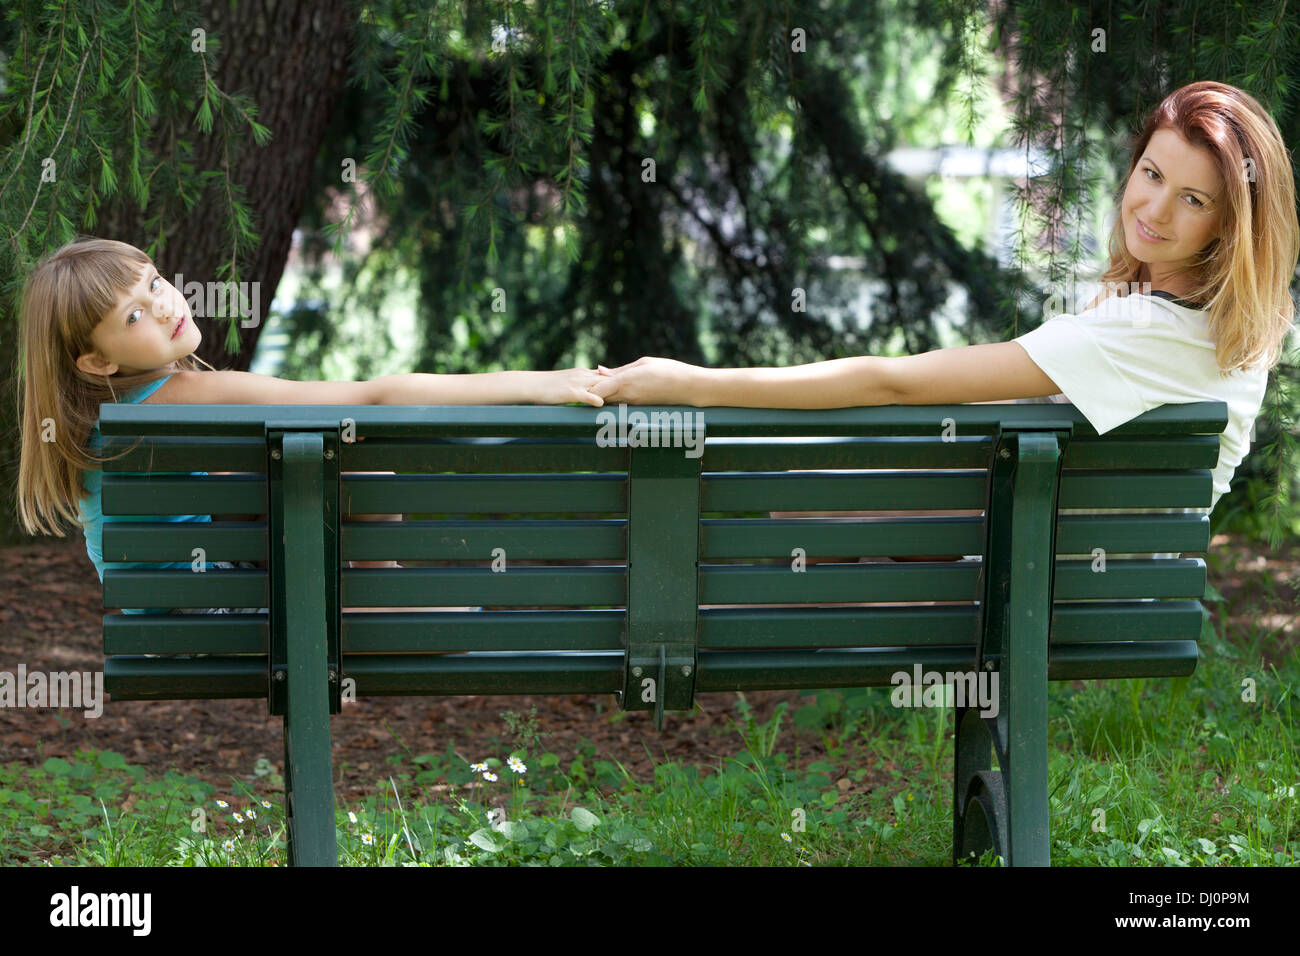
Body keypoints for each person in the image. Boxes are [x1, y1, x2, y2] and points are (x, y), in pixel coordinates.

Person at [590, 81, 1299, 572]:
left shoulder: (1144, 332)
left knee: (767, 495)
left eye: (1193, 199)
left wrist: (695, 382)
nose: (1154, 209)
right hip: (1102, 581)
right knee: (809, 492)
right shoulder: (1232, 330)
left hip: (1023, 579)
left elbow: (892, 382)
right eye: (1150, 173)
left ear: (1230, 225)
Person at [15, 237, 607, 616]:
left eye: (155, 283)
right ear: (96, 361)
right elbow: (375, 397)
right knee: (358, 447)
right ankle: (378, 598)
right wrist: (537, 383)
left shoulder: (97, 426)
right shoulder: (190, 393)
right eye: (136, 314)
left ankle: (377, 594)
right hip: (227, 614)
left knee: (279, 460)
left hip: (169, 620)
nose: (166, 305)